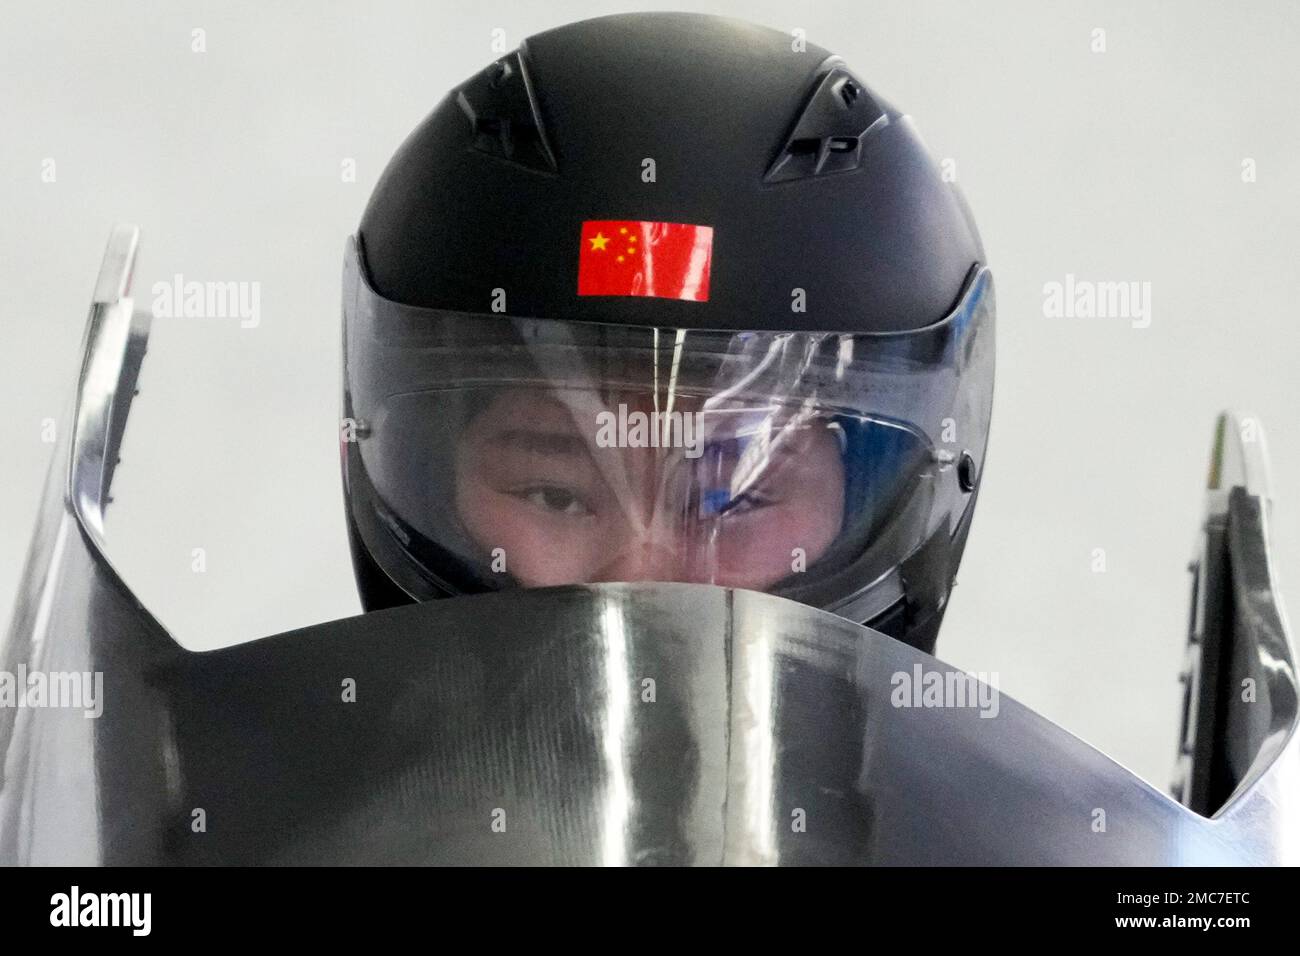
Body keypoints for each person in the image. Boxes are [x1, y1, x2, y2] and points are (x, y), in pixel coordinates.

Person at [341, 11, 994, 653]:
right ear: (419, 472)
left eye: (734, 499)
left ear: (884, 498)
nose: (640, 584)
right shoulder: (260, 760)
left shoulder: (992, 768)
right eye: (555, 495)